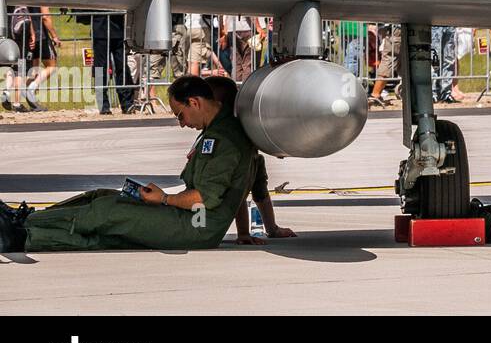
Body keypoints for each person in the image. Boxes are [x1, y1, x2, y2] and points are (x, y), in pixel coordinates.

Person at [0, 75, 256, 252]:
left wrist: (164, 199)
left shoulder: (225, 140)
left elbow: (205, 199)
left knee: (110, 212)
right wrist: (244, 233)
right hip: (188, 218)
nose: (181, 123)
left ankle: (20, 229)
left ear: (195, 102)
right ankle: (27, 221)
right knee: (101, 198)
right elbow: (241, 189)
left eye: (181, 114)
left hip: (197, 227)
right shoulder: (215, 133)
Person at [205, 77, 296, 244]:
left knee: (245, 188)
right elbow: (258, 194)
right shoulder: (237, 126)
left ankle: (261, 230)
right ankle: (271, 228)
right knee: (260, 189)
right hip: (253, 156)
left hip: (247, 160)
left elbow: (238, 194)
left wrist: (243, 234)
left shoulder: (223, 133)